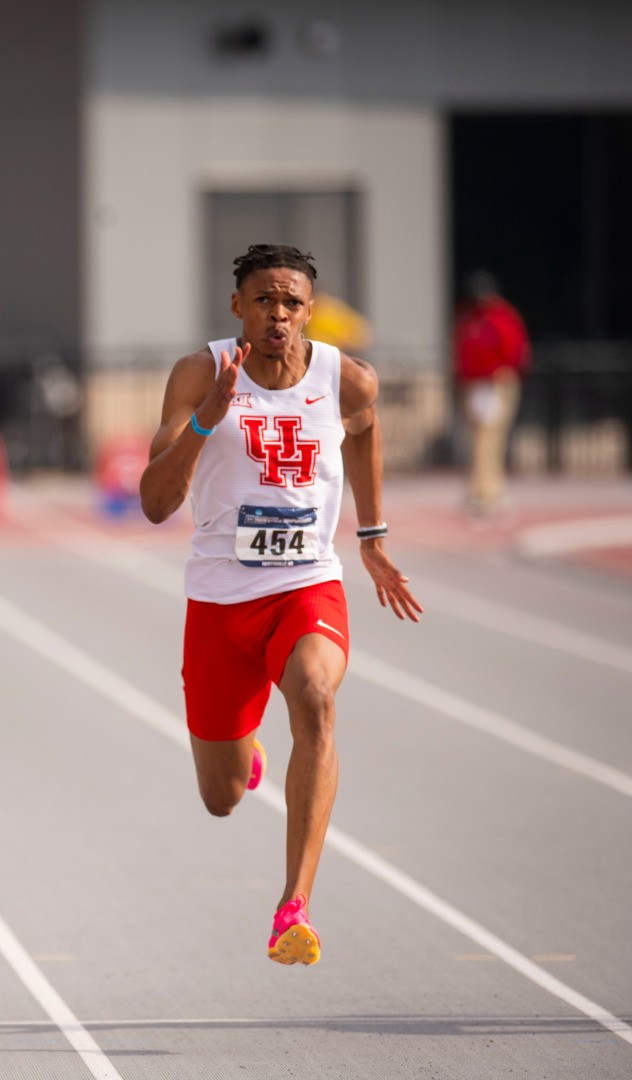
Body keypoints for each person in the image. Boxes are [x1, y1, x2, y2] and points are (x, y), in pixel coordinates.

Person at [139, 244, 422, 966]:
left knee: (318, 700)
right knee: (221, 796)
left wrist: (372, 535)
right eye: (264, 300)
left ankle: (293, 904)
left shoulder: (345, 378)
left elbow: (363, 433)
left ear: (309, 311)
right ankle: (245, 752)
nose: (279, 315)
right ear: (237, 305)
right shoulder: (200, 374)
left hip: (305, 586)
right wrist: (208, 417)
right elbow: (153, 503)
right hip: (219, 600)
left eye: (292, 302)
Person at [453, 271, 530, 516]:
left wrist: (503, 371)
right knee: (477, 441)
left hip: (496, 383)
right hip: (473, 384)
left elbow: (515, 349)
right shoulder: (469, 317)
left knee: (490, 440)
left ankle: (489, 492)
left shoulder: (502, 316)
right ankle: (480, 491)